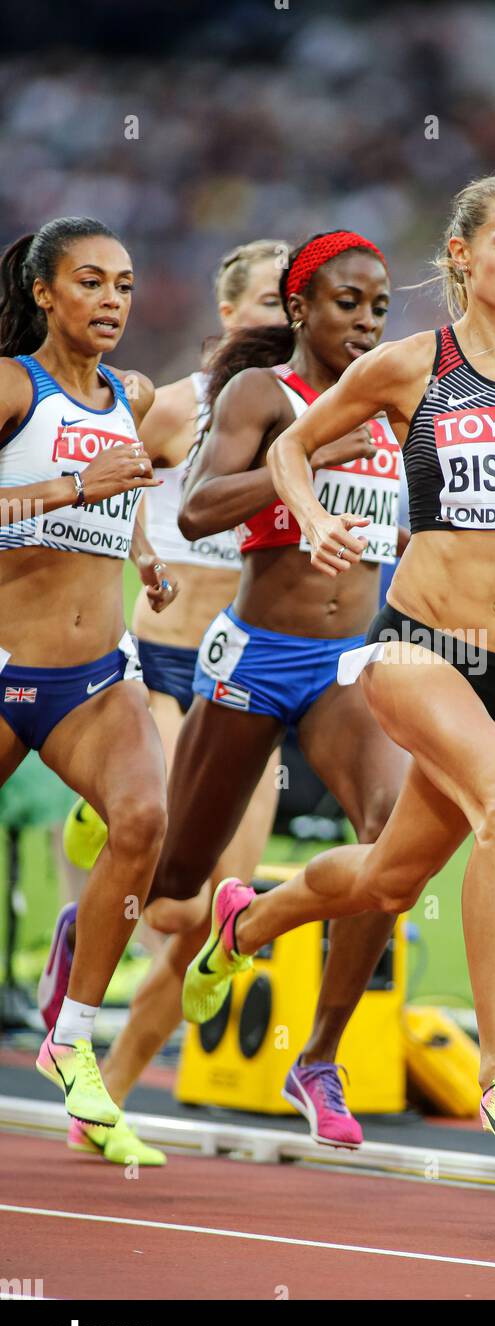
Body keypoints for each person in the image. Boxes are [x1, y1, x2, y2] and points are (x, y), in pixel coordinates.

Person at [183, 174, 495, 1144]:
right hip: (416, 647)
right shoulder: (408, 366)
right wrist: (312, 515)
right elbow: (293, 447)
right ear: (460, 256)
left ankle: (245, 924)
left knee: (389, 881)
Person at [146, 228, 410, 1147]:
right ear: (300, 310)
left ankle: (319, 1056)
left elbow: (425, 526)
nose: (367, 323)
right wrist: (301, 465)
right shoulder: (264, 392)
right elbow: (197, 507)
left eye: (380, 306)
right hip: (255, 658)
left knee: (395, 845)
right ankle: (95, 920)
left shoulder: (393, 401)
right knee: (173, 884)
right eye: (348, 304)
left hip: (347, 669)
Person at [42, 241, 288, 1166]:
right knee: (167, 901)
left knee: (209, 917)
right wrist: (138, 560)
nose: (281, 317)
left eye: (292, 304)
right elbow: (110, 473)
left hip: (252, 669)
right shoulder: (180, 403)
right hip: (164, 659)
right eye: (266, 300)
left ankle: (103, 1102)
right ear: (227, 315)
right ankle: (97, 816)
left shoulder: (308, 408)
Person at [0, 216, 178, 1128]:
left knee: (144, 820)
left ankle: (70, 1035)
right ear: (43, 293)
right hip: (3, 665)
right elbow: (90, 481)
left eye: (125, 284)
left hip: (94, 679)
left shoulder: (132, 393)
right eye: (91, 283)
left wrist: (142, 551)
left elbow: (126, 481)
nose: (112, 301)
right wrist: (78, 488)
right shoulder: (8, 387)